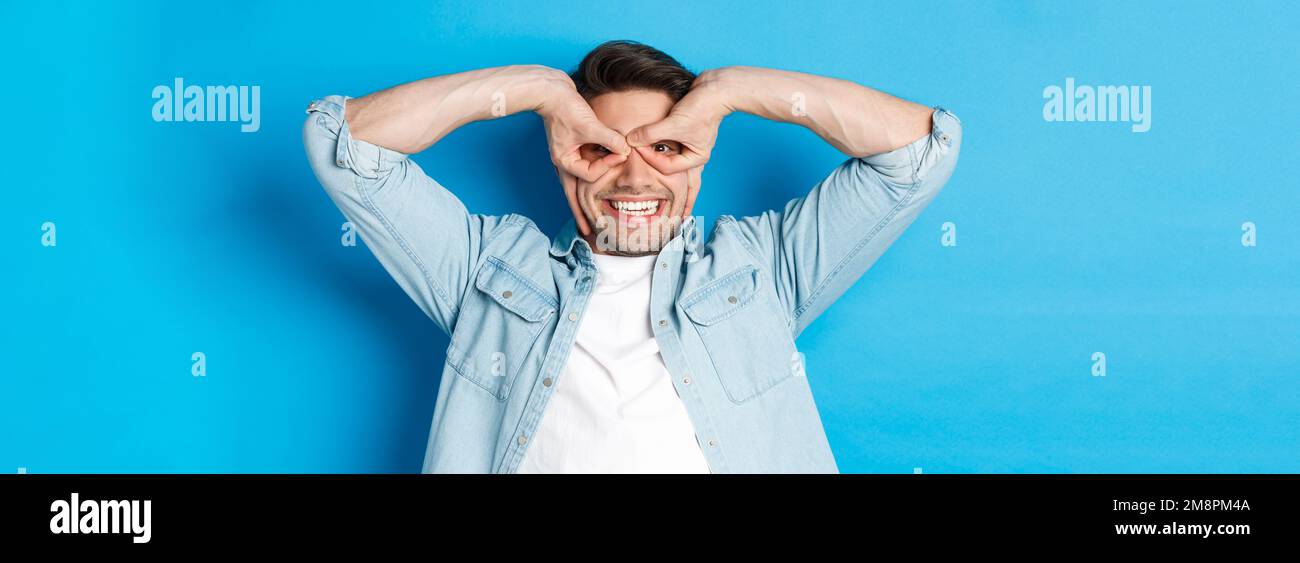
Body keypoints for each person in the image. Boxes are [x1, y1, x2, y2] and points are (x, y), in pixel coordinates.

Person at [301, 40, 962, 473]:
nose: (635, 176)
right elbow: (344, 146)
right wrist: (535, 90)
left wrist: (731, 91)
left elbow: (917, 154)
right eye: (602, 147)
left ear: (699, 159)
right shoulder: (485, 267)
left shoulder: (760, 265)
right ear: (564, 158)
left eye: (666, 147)